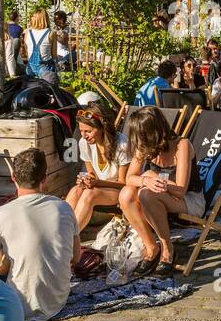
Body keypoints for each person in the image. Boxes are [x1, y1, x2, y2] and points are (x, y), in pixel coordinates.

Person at [0, 149, 80, 321]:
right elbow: (76, 257)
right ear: (44, 177)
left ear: (13, 177)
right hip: (57, 301)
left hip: (19, 305)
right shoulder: (64, 208)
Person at [120, 107, 206, 275]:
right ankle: (152, 247)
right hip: (158, 198)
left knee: (145, 194)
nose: (137, 140)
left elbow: (180, 190)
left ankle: (168, 249)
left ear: (154, 131)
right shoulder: (145, 146)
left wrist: (153, 178)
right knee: (126, 194)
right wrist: (146, 178)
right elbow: (129, 178)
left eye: (141, 135)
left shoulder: (182, 145)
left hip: (189, 200)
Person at [66, 104, 131, 231]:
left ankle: (70, 236)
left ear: (102, 127)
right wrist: (87, 180)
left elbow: (124, 184)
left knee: (89, 195)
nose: (84, 136)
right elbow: (92, 174)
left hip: (119, 191)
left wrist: (97, 183)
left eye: (88, 131)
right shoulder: (84, 143)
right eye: (81, 131)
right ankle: (60, 230)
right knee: (76, 190)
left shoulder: (121, 144)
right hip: (99, 187)